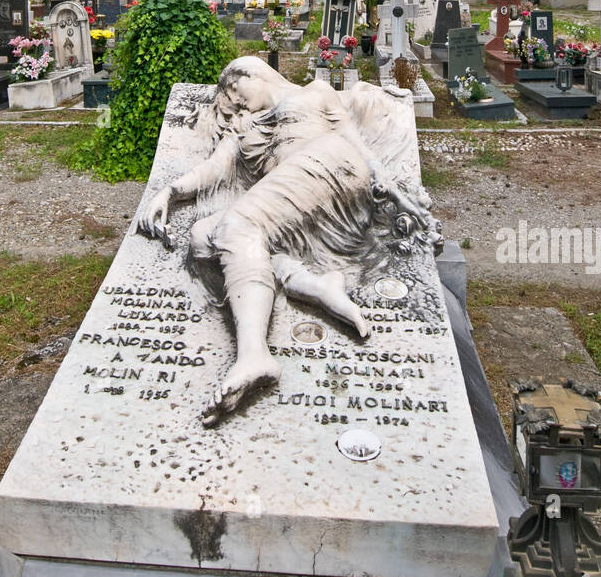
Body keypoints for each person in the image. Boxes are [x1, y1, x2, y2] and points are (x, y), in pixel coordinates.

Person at [136, 57, 441, 425]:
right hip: (291, 209)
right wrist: (168, 192)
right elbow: (214, 168)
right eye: (229, 104)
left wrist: (389, 184)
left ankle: (254, 354)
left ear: (253, 73)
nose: (235, 105)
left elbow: (353, 140)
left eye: (235, 92)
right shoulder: (246, 127)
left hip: (331, 169)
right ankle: (310, 281)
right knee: (203, 238)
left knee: (236, 227)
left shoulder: (314, 92)